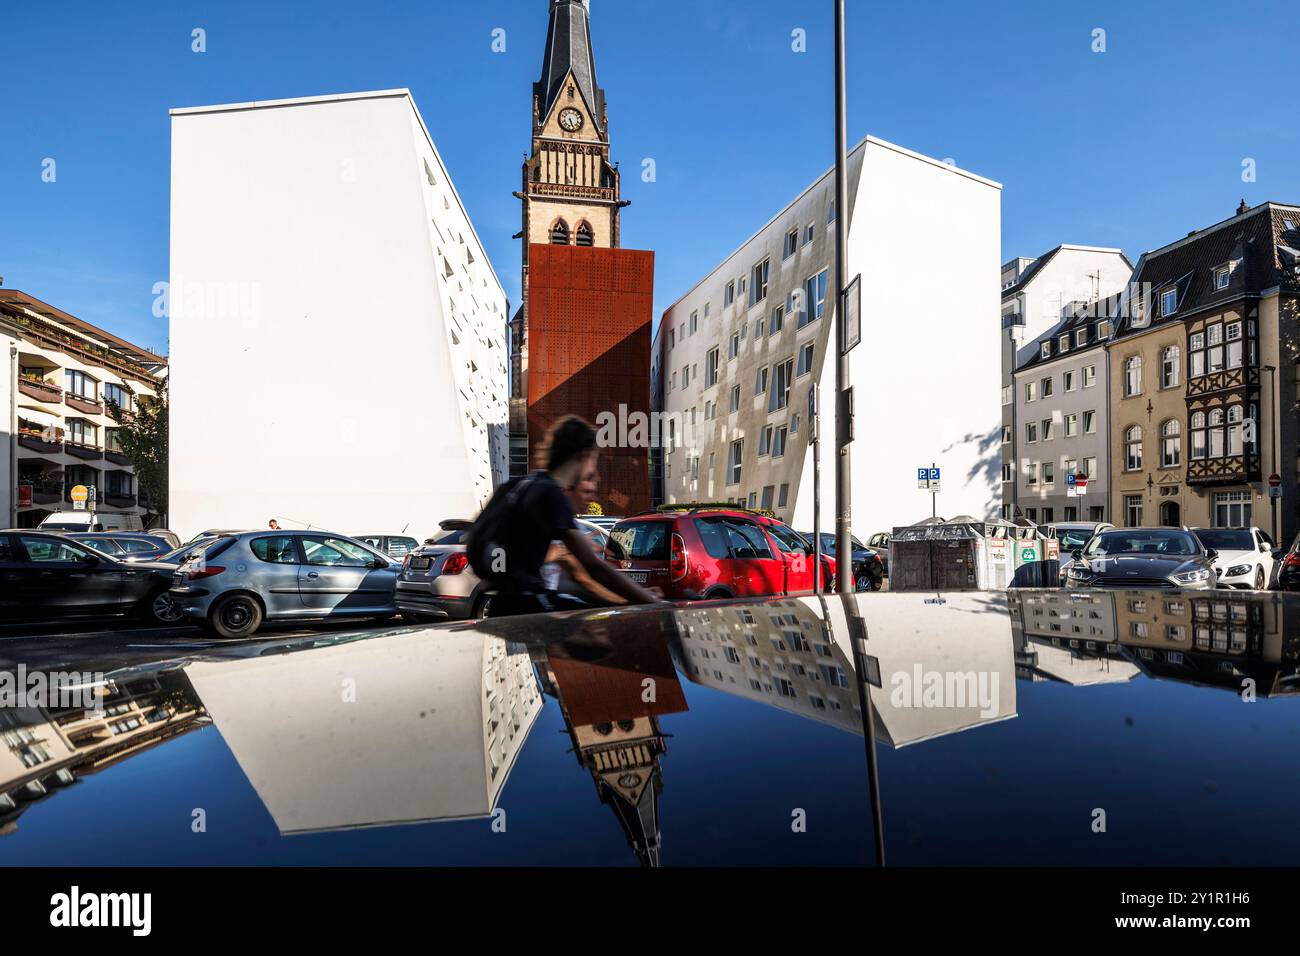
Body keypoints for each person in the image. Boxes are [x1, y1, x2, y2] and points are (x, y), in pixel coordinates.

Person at [487, 415, 660, 617]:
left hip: (502, 605)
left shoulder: (519, 484)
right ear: (583, 456)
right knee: (594, 636)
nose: (593, 470)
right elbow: (593, 567)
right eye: (594, 461)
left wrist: (628, 600)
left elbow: (577, 571)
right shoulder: (550, 492)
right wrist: (650, 602)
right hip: (526, 607)